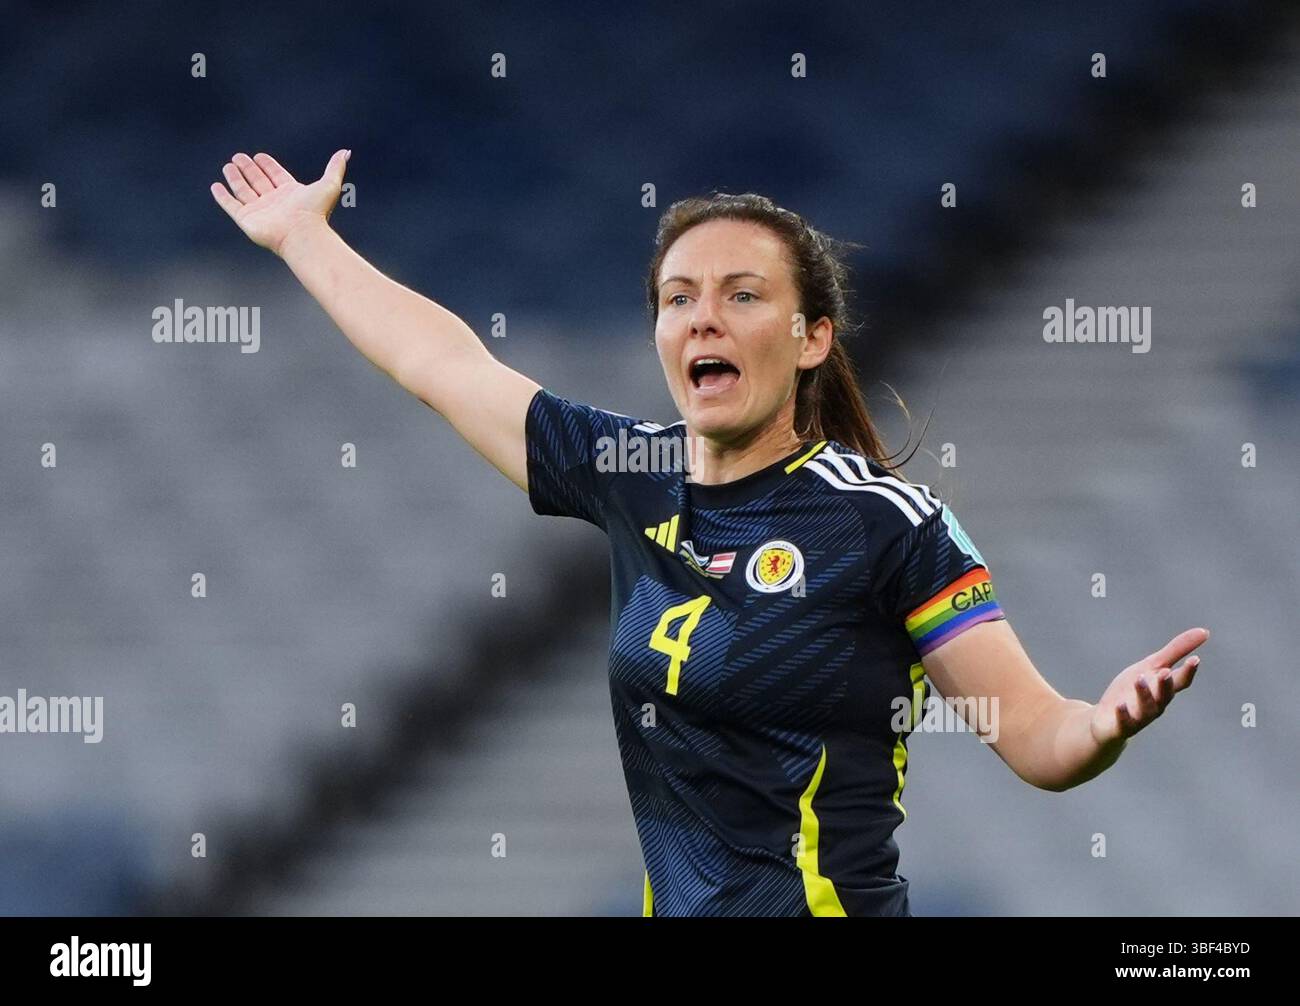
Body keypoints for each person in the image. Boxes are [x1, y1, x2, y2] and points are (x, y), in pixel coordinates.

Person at [210, 150, 1210, 916]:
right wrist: (306, 237)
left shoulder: (882, 521)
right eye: (679, 299)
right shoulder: (628, 476)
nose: (703, 321)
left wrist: (1100, 725)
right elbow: (445, 365)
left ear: (811, 337)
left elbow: (1034, 736)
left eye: (743, 296)